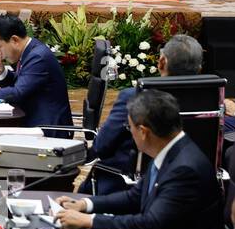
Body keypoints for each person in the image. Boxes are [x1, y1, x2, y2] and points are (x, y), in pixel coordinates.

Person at [55, 89, 230, 229]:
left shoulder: (184, 169)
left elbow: (149, 224)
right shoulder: (169, 149)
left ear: (143, 131)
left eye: (130, 128)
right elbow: (135, 197)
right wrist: (85, 204)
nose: (130, 133)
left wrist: (89, 221)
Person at [85, 35, 203, 194]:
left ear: (161, 62)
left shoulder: (133, 97)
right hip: (192, 185)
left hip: (128, 186)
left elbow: (102, 146)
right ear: (200, 69)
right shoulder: (210, 100)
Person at [0, 14, 73, 131]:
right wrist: (2, 72)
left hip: (47, 128)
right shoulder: (31, 49)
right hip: (32, 119)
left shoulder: (37, 57)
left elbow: (17, 93)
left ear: (14, 40)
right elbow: (23, 82)